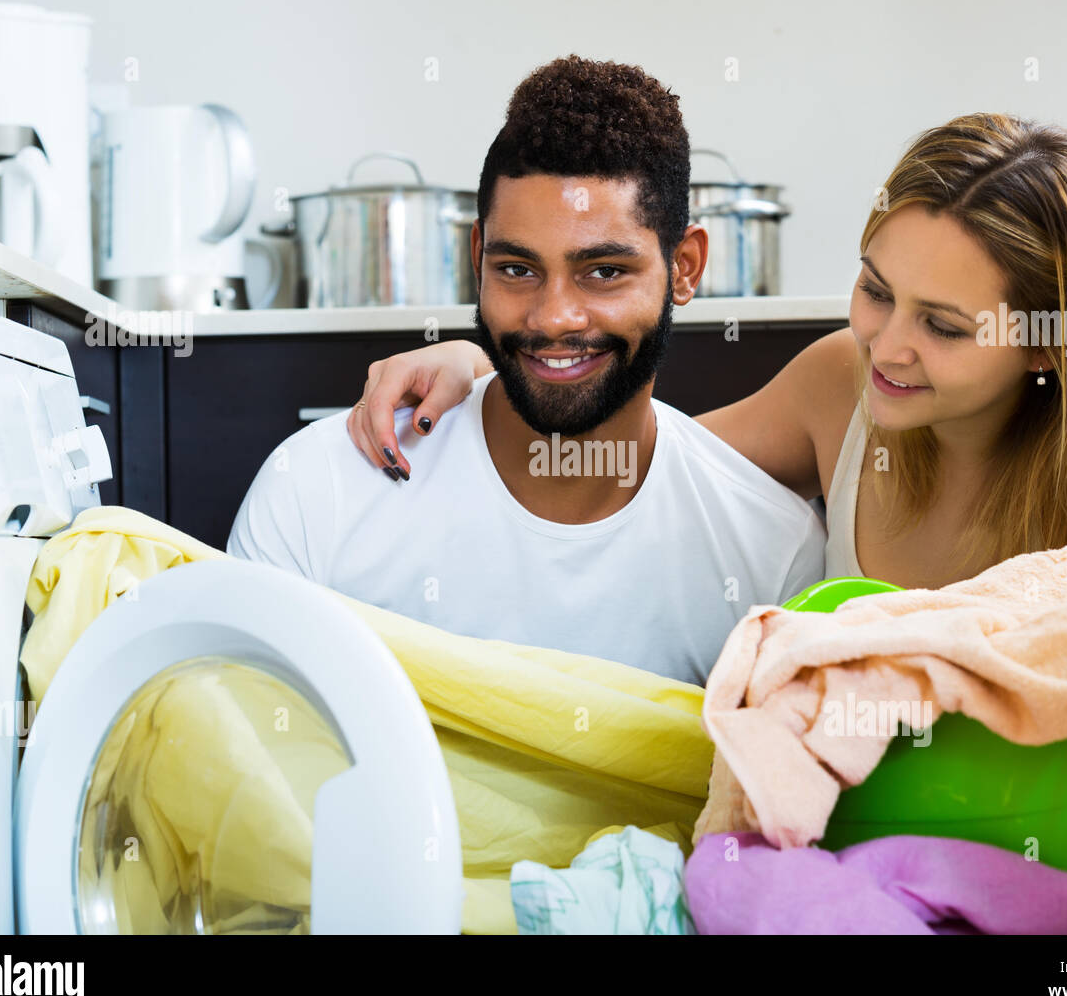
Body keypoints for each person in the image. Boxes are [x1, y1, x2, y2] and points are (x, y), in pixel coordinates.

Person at [349, 112, 1067, 589]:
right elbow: (635, 469)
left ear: (1048, 346)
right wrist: (493, 366)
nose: (888, 347)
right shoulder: (840, 382)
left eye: (944, 326)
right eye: (876, 290)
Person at [227, 55, 826, 685]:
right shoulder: (317, 491)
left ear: (684, 268)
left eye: (604, 271)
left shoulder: (771, 556)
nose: (554, 319)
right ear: (478, 256)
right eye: (517, 269)